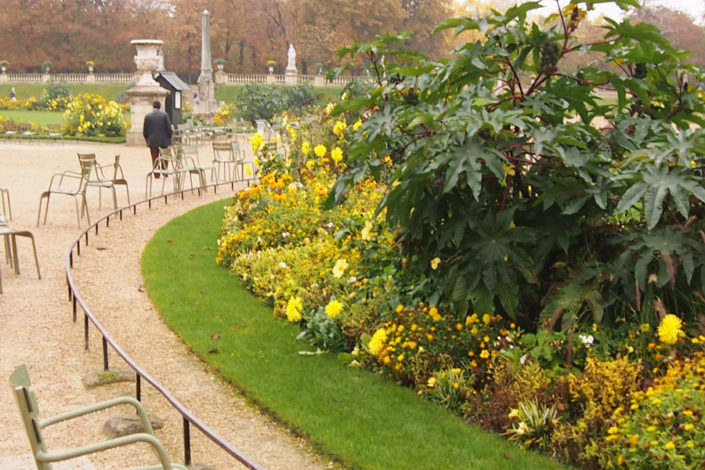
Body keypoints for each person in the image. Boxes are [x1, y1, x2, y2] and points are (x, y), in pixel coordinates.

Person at [142, 100, 173, 177]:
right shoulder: (165, 115)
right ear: (160, 107)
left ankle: (156, 173)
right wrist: (170, 137)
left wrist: (147, 139)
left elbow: (145, 130)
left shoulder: (148, 116)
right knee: (165, 156)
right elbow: (169, 128)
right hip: (164, 140)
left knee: (154, 157)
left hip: (152, 140)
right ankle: (164, 171)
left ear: (153, 107)